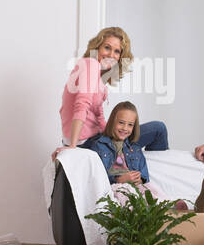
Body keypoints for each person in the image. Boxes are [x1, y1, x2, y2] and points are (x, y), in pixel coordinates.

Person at [54, 26, 168, 159]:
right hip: (89, 143)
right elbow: (81, 104)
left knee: (129, 130)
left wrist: (114, 135)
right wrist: (72, 147)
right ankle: (155, 171)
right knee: (159, 129)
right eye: (107, 48)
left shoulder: (98, 77)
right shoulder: (91, 64)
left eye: (117, 51)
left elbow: (98, 115)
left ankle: (133, 164)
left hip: (93, 139)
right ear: (97, 47)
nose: (111, 55)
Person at [89, 101, 196, 210]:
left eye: (130, 125)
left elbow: (143, 171)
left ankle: (168, 205)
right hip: (116, 186)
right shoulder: (99, 146)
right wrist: (120, 180)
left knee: (151, 190)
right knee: (128, 194)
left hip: (136, 185)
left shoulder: (134, 147)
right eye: (121, 122)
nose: (125, 128)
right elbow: (97, 177)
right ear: (112, 121)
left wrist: (141, 179)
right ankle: (149, 208)